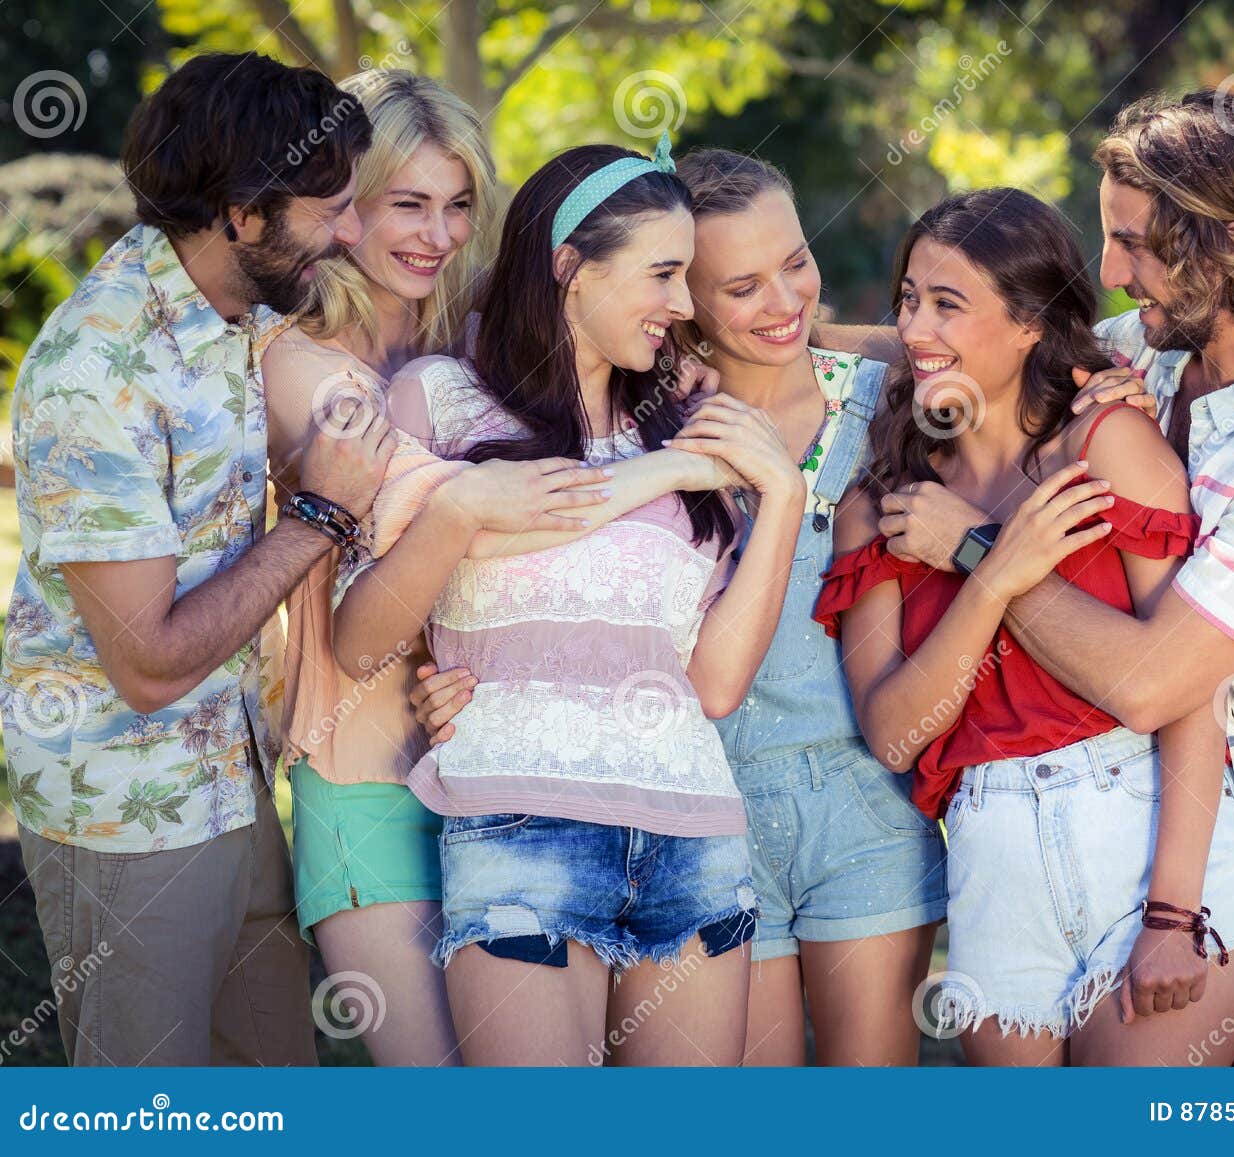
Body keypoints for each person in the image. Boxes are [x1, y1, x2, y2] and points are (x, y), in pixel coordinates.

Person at [880, 91, 1234, 1065]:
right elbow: (974, 342)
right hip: (1166, 844)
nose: (1109, 273)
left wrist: (977, 548)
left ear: (1228, 244)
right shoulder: (1155, 350)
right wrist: (772, 344)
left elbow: (1149, 683)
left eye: (1133, 244)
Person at [412, 149, 950, 1065]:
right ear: (682, 296)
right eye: (739, 284)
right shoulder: (659, 416)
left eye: (797, 262)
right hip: (710, 788)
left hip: (856, 799)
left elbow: (978, 348)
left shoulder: (888, 400)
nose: (784, 300)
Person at [334, 137, 801, 1065]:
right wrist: (665, 469)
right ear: (568, 268)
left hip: (694, 835)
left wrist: (780, 496)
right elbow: (358, 639)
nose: (684, 303)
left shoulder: (689, 423)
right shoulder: (440, 400)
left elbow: (712, 687)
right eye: (665, 273)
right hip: (520, 835)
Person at [815, 187, 1234, 1066]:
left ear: (1027, 326)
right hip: (994, 866)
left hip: (1138, 841)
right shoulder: (885, 502)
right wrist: (990, 571)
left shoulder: (1106, 448)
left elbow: (1186, 691)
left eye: (947, 303)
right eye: (908, 298)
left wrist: (1176, 916)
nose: (913, 327)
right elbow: (897, 733)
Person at [1, 52, 386, 1066]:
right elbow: (149, 659)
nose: (350, 232)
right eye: (329, 209)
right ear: (243, 212)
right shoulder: (97, 373)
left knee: (270, 1082)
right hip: (127, 812)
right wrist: (319, 519)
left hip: (233, 775)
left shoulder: (236, 312)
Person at [258, 69, 502, 1065]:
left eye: (457, 206)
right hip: (361, 774)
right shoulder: (298, 364)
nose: (437, 234)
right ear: (344, 203)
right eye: (409, 203)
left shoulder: (464, 345)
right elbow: (451, 517)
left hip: (495, 764)